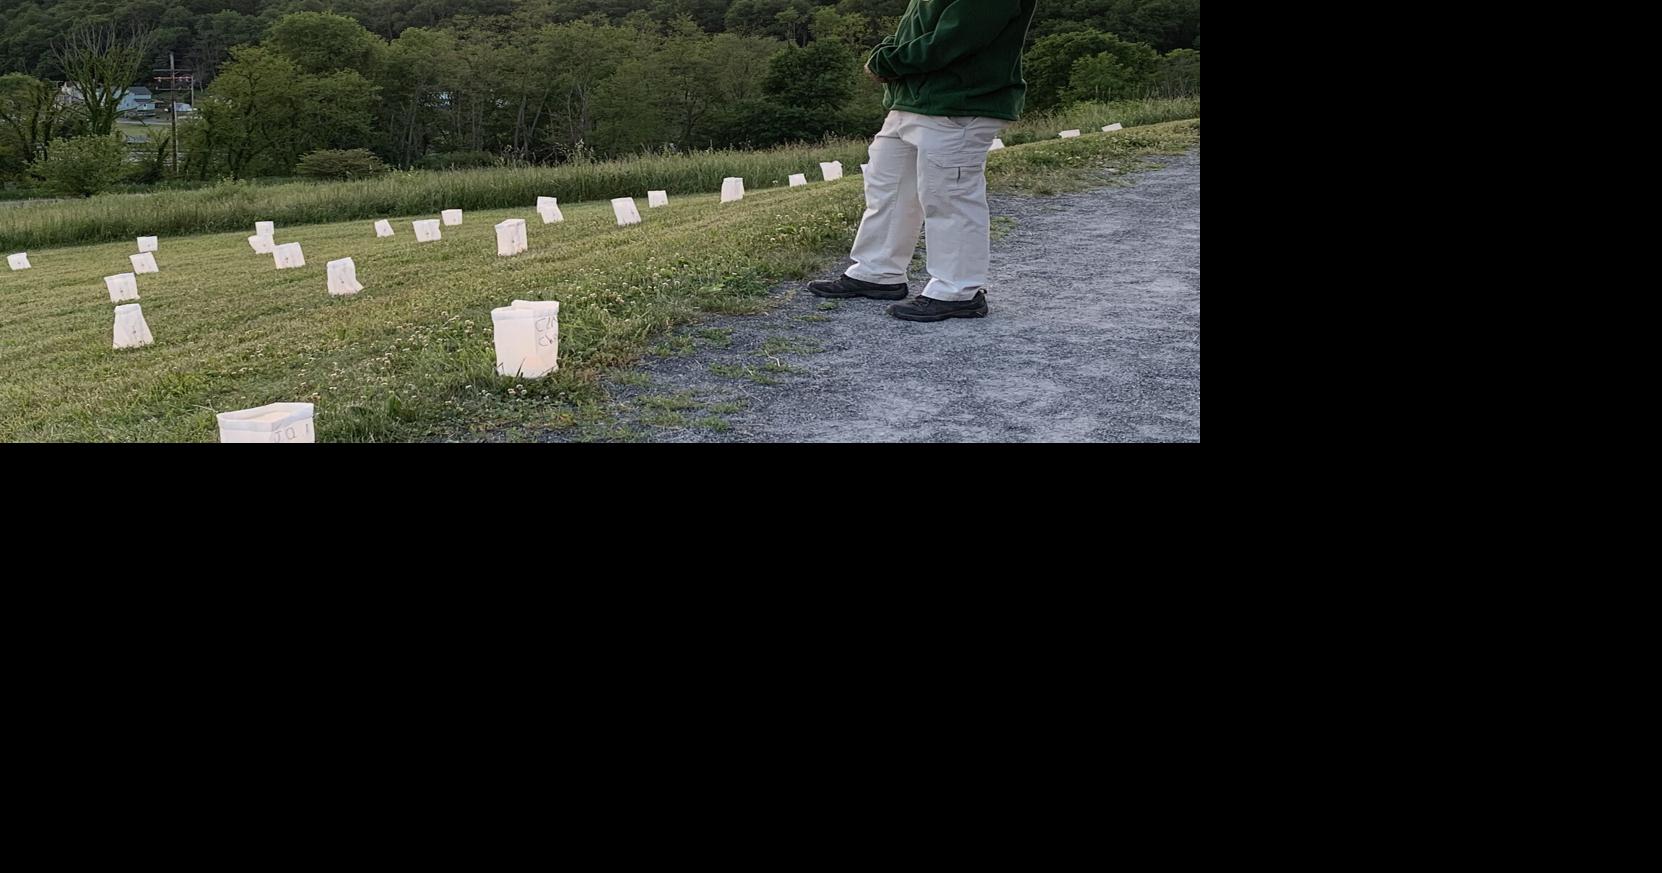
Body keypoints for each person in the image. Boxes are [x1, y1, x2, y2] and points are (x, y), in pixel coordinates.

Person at [809, 0, 1040, 322]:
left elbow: (958, 36)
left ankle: (958, 291)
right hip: (913, 99)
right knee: (888, 188)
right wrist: (887, 54)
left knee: (950, 196)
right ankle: (878, 272)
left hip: (960, 100)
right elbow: (913, 28)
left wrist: (888, 61)